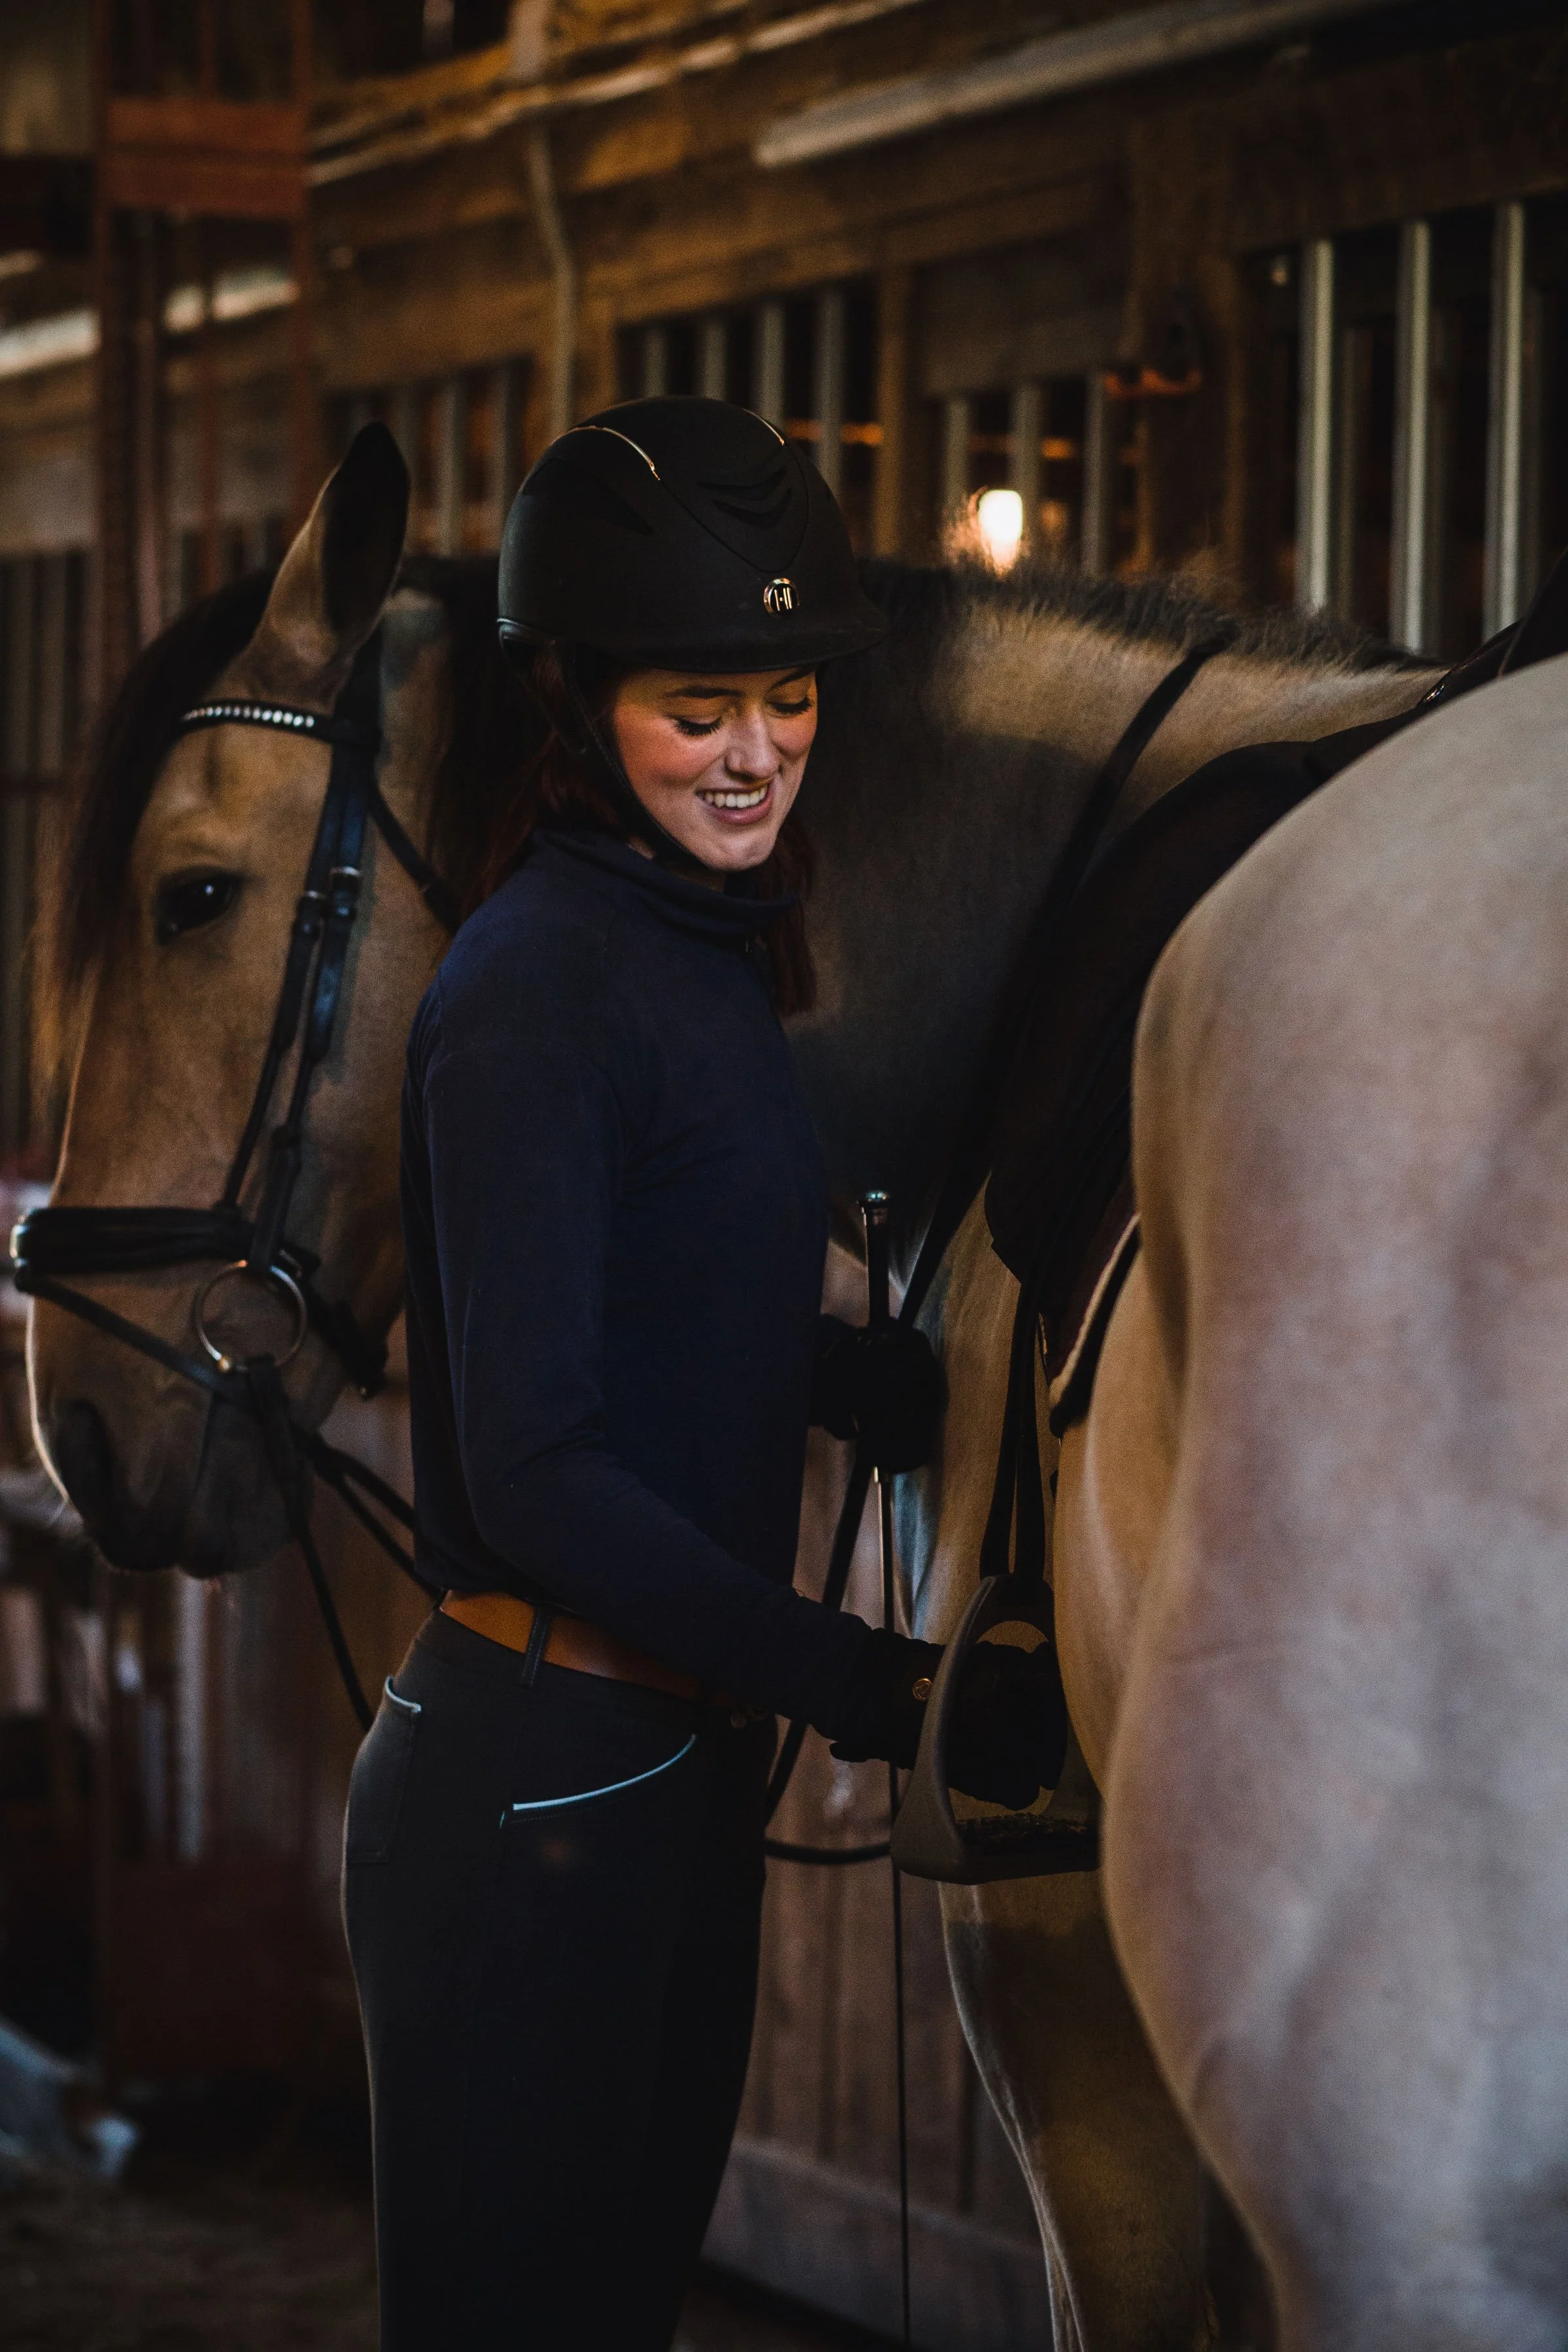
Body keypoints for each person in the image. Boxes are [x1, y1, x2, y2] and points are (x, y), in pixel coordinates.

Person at [343, 397, 1066, 2351]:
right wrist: (868, 1688)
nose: (757, 753)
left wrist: (847, 1382)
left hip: (666, 1781)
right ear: (580, 701)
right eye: (698, 707)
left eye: (787, 700)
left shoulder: (707, 951)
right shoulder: (537, 981)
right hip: (533, 1776)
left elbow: (656, 1290)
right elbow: (545, 1462)